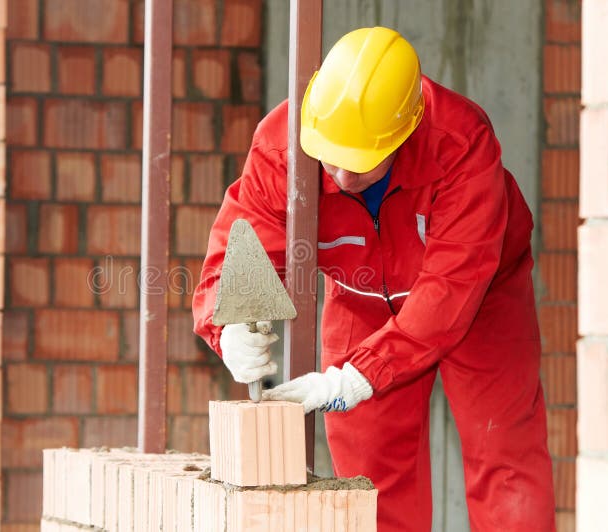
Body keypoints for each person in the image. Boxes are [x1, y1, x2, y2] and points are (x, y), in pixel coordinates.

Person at [191, 27, 555, 531]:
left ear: (405, 132)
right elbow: (237, 247)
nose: (339, 177)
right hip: (359, 296)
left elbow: (452, 287)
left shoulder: (460, 143)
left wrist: (359, 375)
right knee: (371, 467)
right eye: (330, 157)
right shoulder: (282, 148)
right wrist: (225, 327)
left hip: (481, 297)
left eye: (359, 164)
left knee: (503, 451)